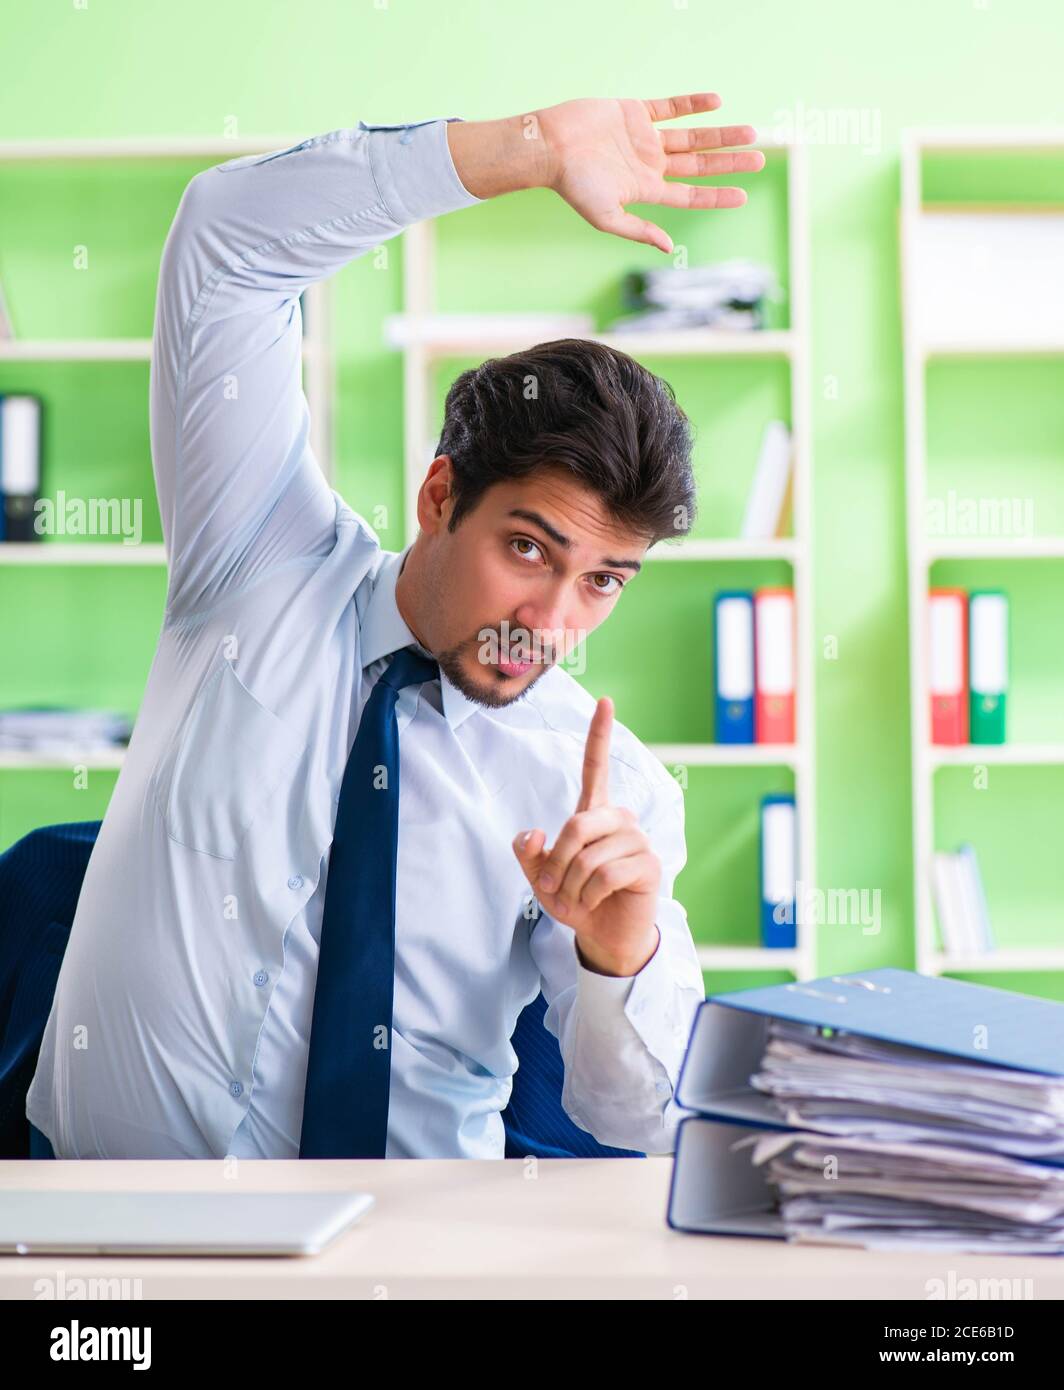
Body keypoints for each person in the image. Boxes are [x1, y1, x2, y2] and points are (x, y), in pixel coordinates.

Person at [26, 93, 765, 1159]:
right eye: (528, 550)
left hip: (410, 1249)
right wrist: (530, 149)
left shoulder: (599, 788)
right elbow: (224, 239)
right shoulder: (257, 568)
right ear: (437, 494)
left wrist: (619, 953)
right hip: (116, 1231)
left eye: (604, 580)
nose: (550, 622)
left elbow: (642, 1123)